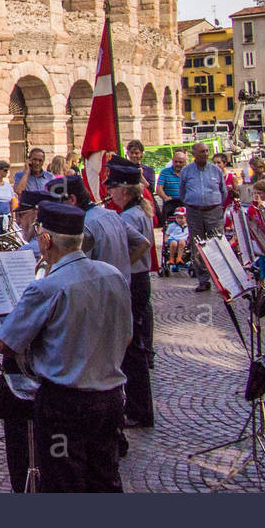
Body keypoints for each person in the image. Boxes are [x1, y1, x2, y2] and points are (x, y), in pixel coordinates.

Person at [0, 202, 132, 492]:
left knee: (62, 482)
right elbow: (127, 336)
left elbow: (2, 342)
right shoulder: (113, 275)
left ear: (46, 240)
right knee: (105, 479)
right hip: (110, 398)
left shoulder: (47, 287)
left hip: (64, 403)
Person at [0, 189, 51, 491]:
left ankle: (25, 484)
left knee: (21, 440)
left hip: (28, 363)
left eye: (23, 215)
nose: (19, 221)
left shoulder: (29, 256)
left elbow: (2, 341)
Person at [105, 164, 154, 430]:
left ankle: (138, 410)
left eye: (112, 188)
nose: (109, 192)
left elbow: (141, 246)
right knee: (135, 347)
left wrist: (123, 265)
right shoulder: (139, 211)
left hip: (134, 280)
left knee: (132, 348)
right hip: (141, 279)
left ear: (124, 190)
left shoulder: (128, 217)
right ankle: (139, 408)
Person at [178, 142, 226, 292]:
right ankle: (203, 280)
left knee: (217, 244)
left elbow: (223, 192)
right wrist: (193, 203)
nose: (205, 154)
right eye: (202, 151)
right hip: (194, 212)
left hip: (213, 212)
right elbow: (182, 192)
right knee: (197, 245)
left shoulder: (216, 170)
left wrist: (214, 204)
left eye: (206, 151)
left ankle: (222, 280)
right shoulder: (186, 171)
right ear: (194, 154)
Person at [156, 150, 186, 222]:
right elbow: (159, 188)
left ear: (185, 163)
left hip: (185, 204)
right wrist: (165, 197)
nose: (177, 164)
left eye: (180, 162)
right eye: (175, 162)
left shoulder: (188, 172)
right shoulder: (165, 172)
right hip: (170, 204)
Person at [163, 209, 189, 273]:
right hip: (172, 238)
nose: (179, 220)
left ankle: (179, 258)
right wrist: (165, 239)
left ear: (186, 218)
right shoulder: (172, 225)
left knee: (182, 242)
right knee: (173, 243)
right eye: (177, 218)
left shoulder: (188, 226)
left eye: (181, 218)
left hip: (183, 240)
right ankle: (171, 258)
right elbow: (167, 234)